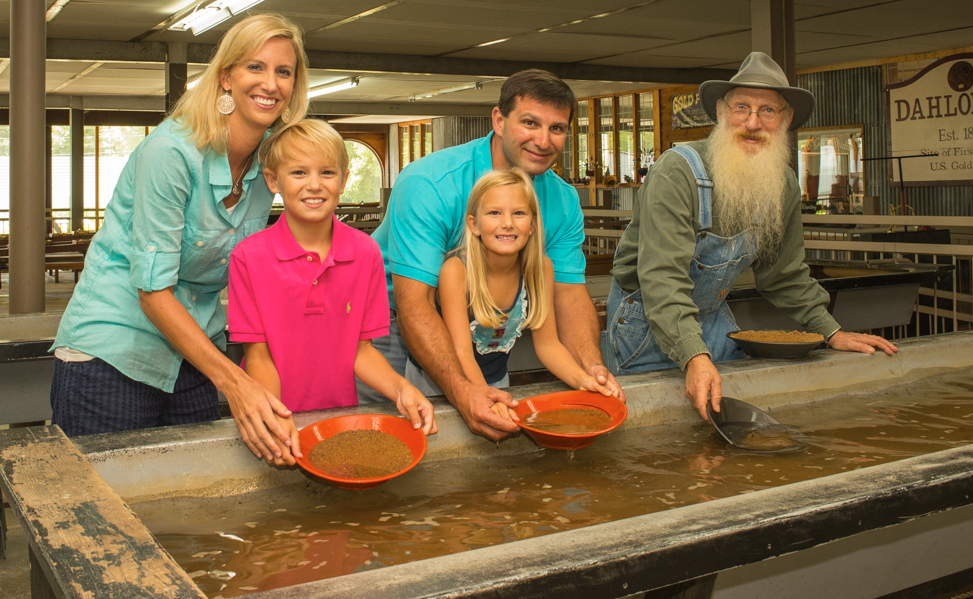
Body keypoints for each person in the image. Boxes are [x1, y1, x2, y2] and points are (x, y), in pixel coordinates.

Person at [49, 14, 310, 464]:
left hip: (195, 354)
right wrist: (236, 383)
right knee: (110, 515)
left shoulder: (267, 164)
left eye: (283, 71)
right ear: (226, 77)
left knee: (191, 516)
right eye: (255, 67)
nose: (270, 83)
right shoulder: (171, 153)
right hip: (114, 353)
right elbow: (153, 292)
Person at [603, 52, 897, 422]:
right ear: (722, 113)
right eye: (742, 107)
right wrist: (694, 356)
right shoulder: (676, 173)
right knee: (652, 434)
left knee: (727, 430)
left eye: (768, 111)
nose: (753, 122)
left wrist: (830, 331)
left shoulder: (782, 184)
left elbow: (783, 275)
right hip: (644, 325)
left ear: (786, 120)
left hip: (711, 321)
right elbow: (662, 277)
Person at [368, 69, 623, 441]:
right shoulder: (429, 183)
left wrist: (592, 369)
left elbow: (567, 294)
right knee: (398, 440)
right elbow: (415, 306)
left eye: (557, 128)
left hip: (488, 339)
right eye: (530, 123)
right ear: (499, 120)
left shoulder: (563, 200)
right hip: (392, 320)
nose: (543, 140)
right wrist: (462, 390)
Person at [228, 119, 436, 466]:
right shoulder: (248, 257)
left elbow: (362, 352)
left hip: (341, 421)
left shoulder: (366, 251)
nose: (314, 185)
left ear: (344, 179)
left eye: (326, 172)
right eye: (298, 173)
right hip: (274, 422)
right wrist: (277, 420)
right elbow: (259, 357)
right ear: (273, 180)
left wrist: (403, 389)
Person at [409, 168, 621, 414]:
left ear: (532, 225)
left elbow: (549, 345)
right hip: (436, 383)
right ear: (474, 224)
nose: (507, 223)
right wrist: (488, 399)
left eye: (519, 213)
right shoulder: (456, 271)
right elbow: (461, 354)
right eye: (494, 213)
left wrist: (581, 379)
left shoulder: (541, 268)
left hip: (497, 379)